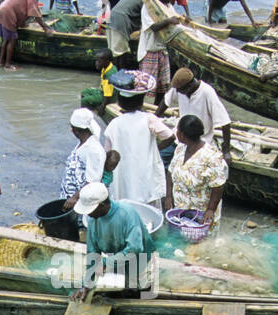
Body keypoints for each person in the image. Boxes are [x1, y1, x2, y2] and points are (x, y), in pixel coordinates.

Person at [73, 182, 155, 300]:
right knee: (115, 292)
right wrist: (86, 285)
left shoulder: (126, 213)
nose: (89, 214)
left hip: (141, 259)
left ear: (101, 205)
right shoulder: (93, 221)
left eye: (90, 210)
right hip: (118, 260)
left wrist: (106, 263)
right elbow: (92, 253)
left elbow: (135, 248)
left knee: (141, 292)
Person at [104, 74, 175, 206]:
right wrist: (156, 149)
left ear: (120, 102)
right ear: (141, 101)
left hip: (123, 176)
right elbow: (171, 136)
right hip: (145, 175)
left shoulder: (114, 124)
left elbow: (107, 155)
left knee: (125, 206)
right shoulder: (149, 118)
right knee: (148, 210)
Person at [165, 115, 229, 231]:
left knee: (200, 246)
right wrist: (169, 196)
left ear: (182, 135)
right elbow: (170, 172)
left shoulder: (211, 156)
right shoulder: (180, 148)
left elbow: (218, 186)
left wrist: (210, 210)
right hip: (180, 210)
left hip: (201, 215)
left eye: (177, 130)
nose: (176, 133)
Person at [158, 66, 232, 159]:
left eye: (179, 91)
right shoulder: (180, 87)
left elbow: (225, 122)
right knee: (159, 158)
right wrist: (154, 118)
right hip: (180, 138)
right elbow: (166, 101)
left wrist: (226, 151)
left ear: (188, 87)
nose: (177, 92)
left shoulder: (207, 92)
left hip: (200, 140)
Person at [0, 0, 53, 69]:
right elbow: (35, 13)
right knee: (12, 39)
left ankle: (1, 62)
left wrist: (22, 23)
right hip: (8, 13)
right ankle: (8, 65)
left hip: (3, 8)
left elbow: (21, 4)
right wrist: (45, 28)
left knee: (6, 39)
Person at [60, 108, 106, 216]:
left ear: (75, 130)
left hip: (82, 202)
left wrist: (75, 197)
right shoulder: (82, 143)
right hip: (71, 202)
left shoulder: (93, 149)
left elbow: (93, 181)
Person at [137, 0, 181, 90]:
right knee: (146, 86)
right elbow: (154, 27)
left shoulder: (168, 6)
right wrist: (168, 21)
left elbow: (175, 20)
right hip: (149, 50)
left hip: (162, 50)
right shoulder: (147, 7)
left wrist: (184, 20)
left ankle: (158, 107)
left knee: (163, 87)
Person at [105, 0, 143, 67]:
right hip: (120, 20)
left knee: (114, 51)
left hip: (112, 17)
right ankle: (120, 75)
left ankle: (116, 74)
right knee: (121, 52)